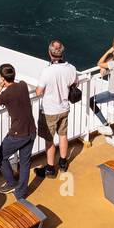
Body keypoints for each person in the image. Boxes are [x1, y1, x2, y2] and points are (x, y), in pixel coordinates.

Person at [0, 63, 34, 202]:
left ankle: (11, 183)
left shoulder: (6, 94)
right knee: (25, 162)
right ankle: (20, 194)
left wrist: (0, 86)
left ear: (3, 78)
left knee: (0, 155)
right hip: (31, 130)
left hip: (17, 134)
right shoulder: (23, 85)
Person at [35, 40, 78, 178]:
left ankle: (50, 168)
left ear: (50, 53)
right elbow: (74, 82)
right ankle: (63, 163)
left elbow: (38, 92)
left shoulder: (47, 71)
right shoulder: (71, 68)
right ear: (62, 53)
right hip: (64, 108)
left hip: (50, 111)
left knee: (49, 139)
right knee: (63, 135)